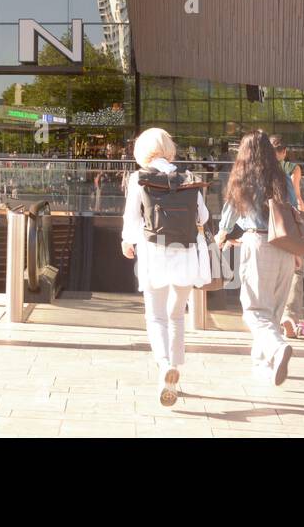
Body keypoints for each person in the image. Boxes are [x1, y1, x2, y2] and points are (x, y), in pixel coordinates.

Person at [120, 127, 210, 407]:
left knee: (155, 316)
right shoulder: (187, 176)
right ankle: (175, 369)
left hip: (154, 251)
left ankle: (163, 366)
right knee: (176, 315)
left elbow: (131, 216)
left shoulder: (139, 177)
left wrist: (128, 240)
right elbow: (203, 216)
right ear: (169, 148)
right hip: (185, 252)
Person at [216, 130, 295, 386]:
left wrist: (221, 235)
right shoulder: (281, 177)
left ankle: (276, 347)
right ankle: (264, 365)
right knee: (273, 310)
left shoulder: (243, 179)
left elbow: (229, 213)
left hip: (258, 243)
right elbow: (293, 210)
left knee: (253, 310)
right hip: (285, 245)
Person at [269, 135, 304, 336]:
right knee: (296, 271)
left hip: (267, 228)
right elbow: (296, 199)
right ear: (284, 152)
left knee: (270, 274)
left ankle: (272, 319)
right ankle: (289, 315)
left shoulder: (259, 170)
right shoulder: (291, 169)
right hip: (287, 227)